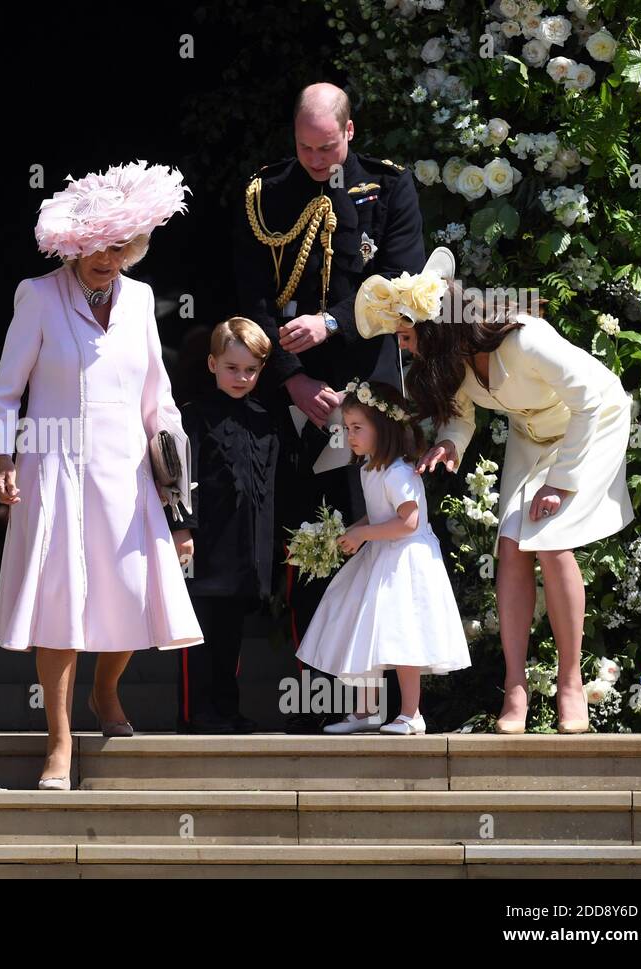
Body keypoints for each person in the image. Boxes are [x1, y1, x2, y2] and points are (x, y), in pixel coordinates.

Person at [0, 161, 203, 790]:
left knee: (130, 594)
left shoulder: (139, 300)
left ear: (134, 244)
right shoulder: (37, 295)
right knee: (60, 607)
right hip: (52, 471)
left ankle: (105, 692)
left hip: (127, 474)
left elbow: (158, 402)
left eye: (118, 247)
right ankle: (58, 744)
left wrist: (176, 494)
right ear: (72, 242)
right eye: (95, 247)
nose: (106, 259)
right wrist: (2, 458)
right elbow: (5, 393)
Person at [372, 250, 636, 735]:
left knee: (552, 542)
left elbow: (592, 400)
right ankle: (515, 685)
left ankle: (570, 684)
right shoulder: (451, 360)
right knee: (512, 545)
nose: (404, 348)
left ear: (435, 330)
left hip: (592, 428)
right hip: (530, 440)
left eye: (408, 337)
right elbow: (460, 415)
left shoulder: (525, 340)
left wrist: (562, 482)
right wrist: (450, 444)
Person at [235, 82, 427, 732]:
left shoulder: (388, 187)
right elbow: (250, 293)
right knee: (310, 541)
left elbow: (402, 284)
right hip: (297, 393)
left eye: (327, 146)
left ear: (350, 130)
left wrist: (333, 323)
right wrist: (288, 377)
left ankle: (384, 703)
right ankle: (317, 697)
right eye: (304, 146)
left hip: (369, 389)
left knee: (373, 538)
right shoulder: (265, 192)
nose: (317, 158)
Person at [295, 378, 470, 735]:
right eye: (347, 428)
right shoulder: (369, 469)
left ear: (384, 427)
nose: (350, 435)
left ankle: (411, 713)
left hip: (406, 560)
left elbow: (409, 522)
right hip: (380, 555)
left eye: (357, 427)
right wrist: (353, 532)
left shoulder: (399, 471)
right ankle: (366, 711)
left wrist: (364, 534)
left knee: (402, 634)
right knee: (363, 629)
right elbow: (378, 517)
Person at [169, 317, 279, 734]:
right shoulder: (192, 417)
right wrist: (183, 529)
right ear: (213, 364)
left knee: (231, 633)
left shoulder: (265, 420)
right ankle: (195, 712)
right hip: (202, 545)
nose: (241, 377)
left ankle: (226, 709)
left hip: (244, 548)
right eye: (232, 368)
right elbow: (178, 480)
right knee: (197, 631)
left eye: (251, 370)